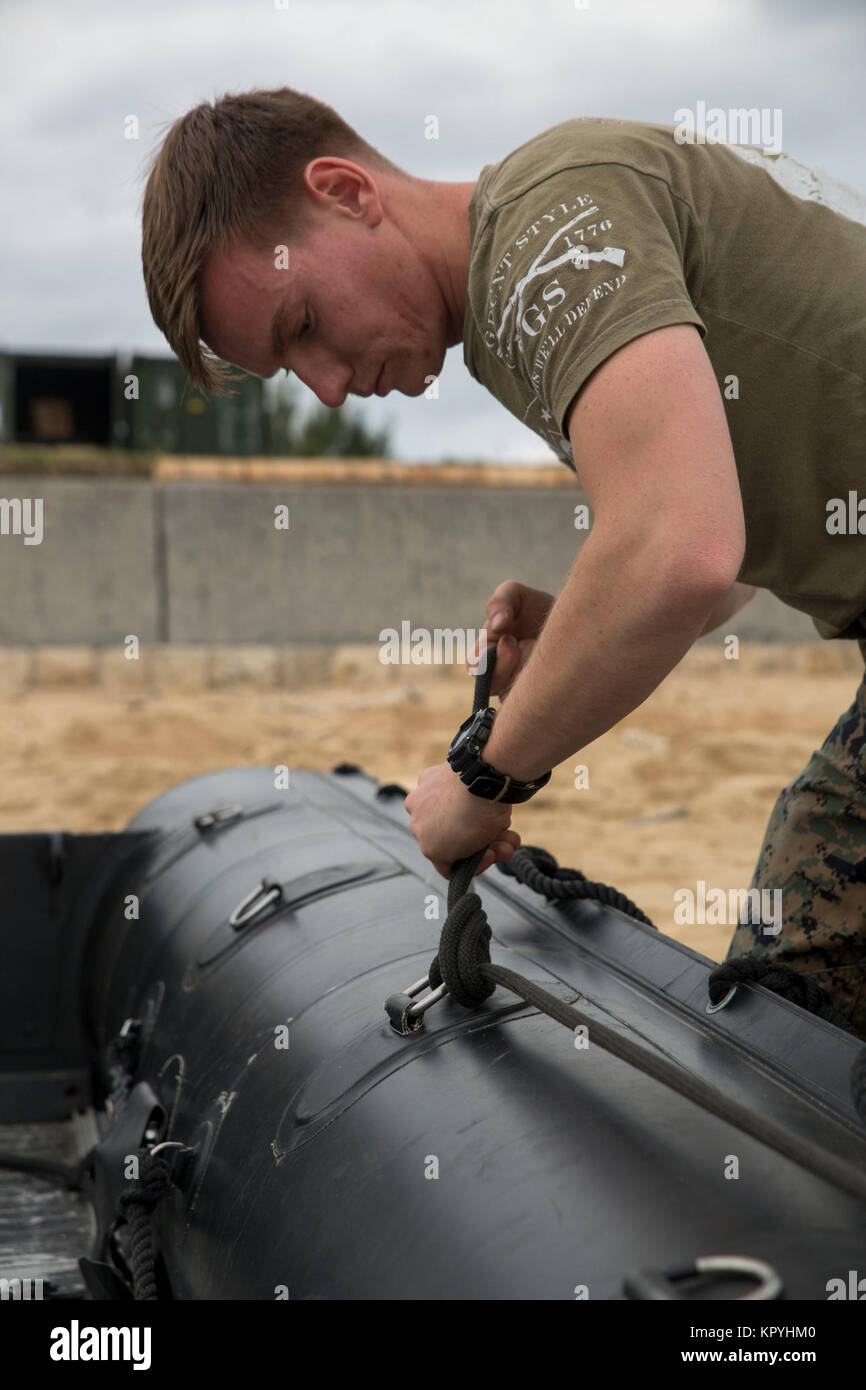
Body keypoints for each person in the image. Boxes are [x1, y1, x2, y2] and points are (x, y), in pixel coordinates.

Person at [140, 87, 866, 1037]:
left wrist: (485, 776)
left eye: (304, 325)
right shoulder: (547, 244)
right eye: (289, 372)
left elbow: (678, 549)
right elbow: (727, 535)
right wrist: (583, 622)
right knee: (801, 986)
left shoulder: (538, 241)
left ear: (346, 190)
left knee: (792, 1028)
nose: (324, 389)